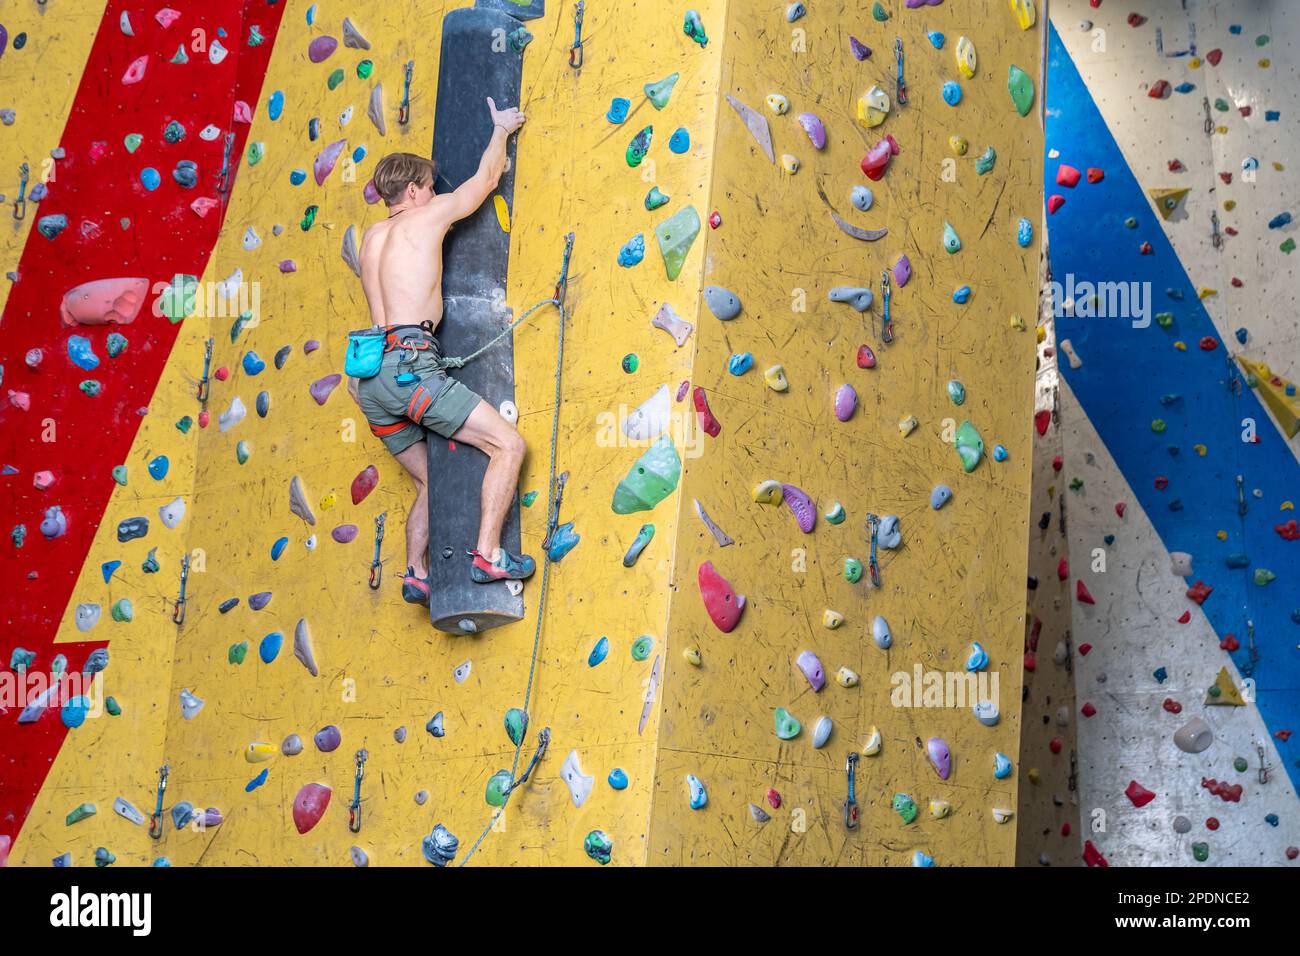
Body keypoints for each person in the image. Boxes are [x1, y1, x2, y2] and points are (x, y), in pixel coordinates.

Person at [349, 97, 533, 607]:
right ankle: (490, 554)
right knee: (509, 445)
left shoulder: (370, 238)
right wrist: (500, 131)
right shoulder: (424, 219)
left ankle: (416, 572)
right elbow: (485, 181)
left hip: (369, 379)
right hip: (412, 367)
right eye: (430, 187)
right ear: (413, 190)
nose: (436, 194)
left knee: (430, 478)